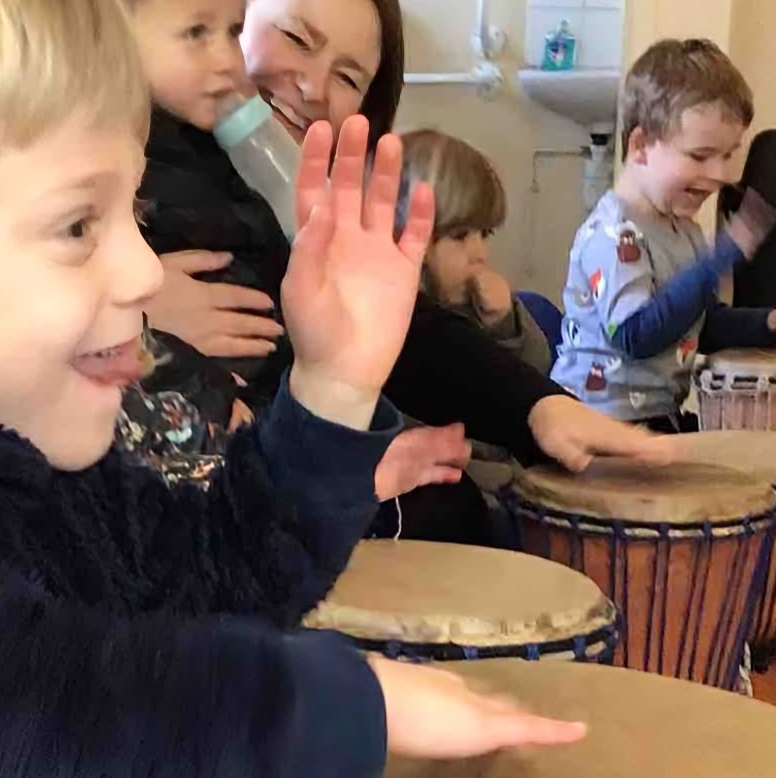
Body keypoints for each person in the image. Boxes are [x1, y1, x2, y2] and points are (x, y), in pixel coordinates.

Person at [0, 1, 589, 775]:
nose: (144, 269)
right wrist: (334, 702)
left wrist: (333, 385)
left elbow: (214, 572)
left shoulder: (21, 454)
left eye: (136, 212)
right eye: (78, 226)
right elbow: (18, 704)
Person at [140, 0, 670, 480]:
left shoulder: (280, 198)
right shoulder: (125, 159)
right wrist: (135, 318)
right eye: (297, 39)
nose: (313, 88)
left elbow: (397, 326)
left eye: (348, 78)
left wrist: (538, 407)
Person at [550, 38, 776, 432]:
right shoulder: (613, 234)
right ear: (641, 145)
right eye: (699, 156)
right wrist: (720, 258)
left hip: (652, 420)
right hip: (594, 423)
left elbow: (698, 324)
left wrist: (775, 322)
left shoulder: (686, 231)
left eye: (727, 156)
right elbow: (637, 335)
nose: (719, 174)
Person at [397, 128, 552, 376]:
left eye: (485, 234)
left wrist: (505, 325)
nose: (480, 253)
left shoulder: (473, 309)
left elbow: (535, 372)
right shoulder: (394, 326)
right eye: (460, 236)